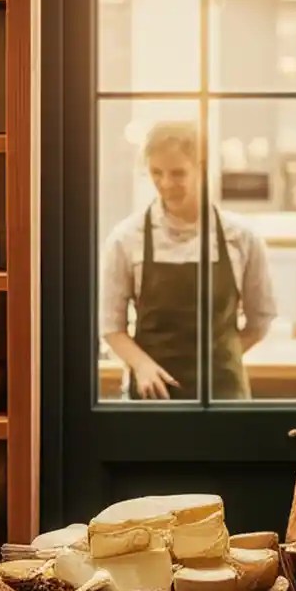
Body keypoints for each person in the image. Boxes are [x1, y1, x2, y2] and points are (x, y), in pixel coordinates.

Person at [100, 121, 277, 400]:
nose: (166, 184)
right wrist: (142, 365)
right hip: (153, 398)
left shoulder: (242, 238)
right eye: (156, 172)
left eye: (178, 173)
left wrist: (222, 358)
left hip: (223, 395)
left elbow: (260, 320)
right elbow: (111, 327)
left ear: (202, 169)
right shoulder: (126, 239)